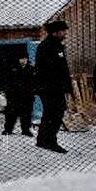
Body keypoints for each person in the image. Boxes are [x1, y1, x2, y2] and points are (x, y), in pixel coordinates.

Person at [35, 20, 72, 153]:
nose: (65, 33)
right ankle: (49, 141)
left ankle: (44, 140)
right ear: (55, 32)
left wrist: (67, 87)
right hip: (50, 88)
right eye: (62, 31)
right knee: (52, 115)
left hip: (57, 87)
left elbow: (63, 69)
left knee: (55, 114)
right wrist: (55, 85)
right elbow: (47, 70)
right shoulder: (46, 46)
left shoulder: (57, 46)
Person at [0, 50, 37, 136]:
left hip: (27, 96)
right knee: (11, 114)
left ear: (27, 59)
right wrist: (8, 91)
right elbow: (7, 81)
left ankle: (26, 130)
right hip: (14, 95)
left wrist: (33, 91)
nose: (23, 60)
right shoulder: (13, 69)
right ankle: (8, 129)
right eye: (21, 58)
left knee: (26, 114)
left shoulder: (31, 69)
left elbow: (35, 82)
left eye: (24, 58)